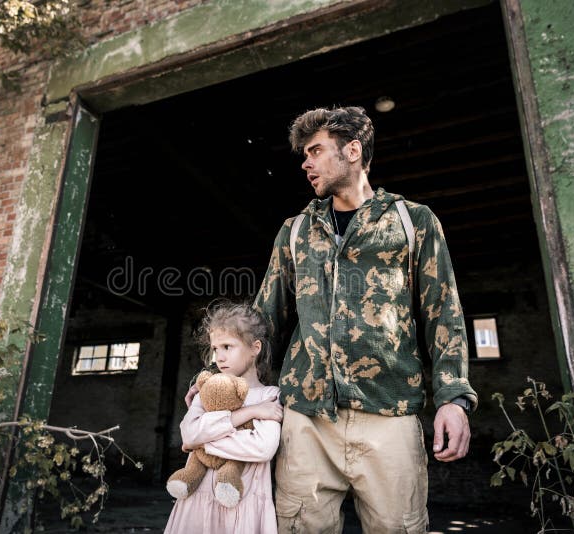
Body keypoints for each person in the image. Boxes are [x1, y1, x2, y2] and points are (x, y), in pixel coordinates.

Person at [253, 106, 479, 533]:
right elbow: (264, 319)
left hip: (388, 414)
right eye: (305, 153)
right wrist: (219, 380)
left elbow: (443, 312)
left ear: (352, 150)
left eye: (316, 150)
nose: (306, 162)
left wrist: (453, 397)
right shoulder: (296, 230)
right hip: (306, 419)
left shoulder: (413, 222)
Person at [166, 301, 283, 534]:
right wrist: (249, 413)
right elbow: (188, 433)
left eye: (227, 346)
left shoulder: (269, 396)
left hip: (243, 506)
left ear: (254, 348)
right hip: (196, 504)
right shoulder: (207, 392)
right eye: (215, 348)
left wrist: (201, 440)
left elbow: (261, 449)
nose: (219, 357)